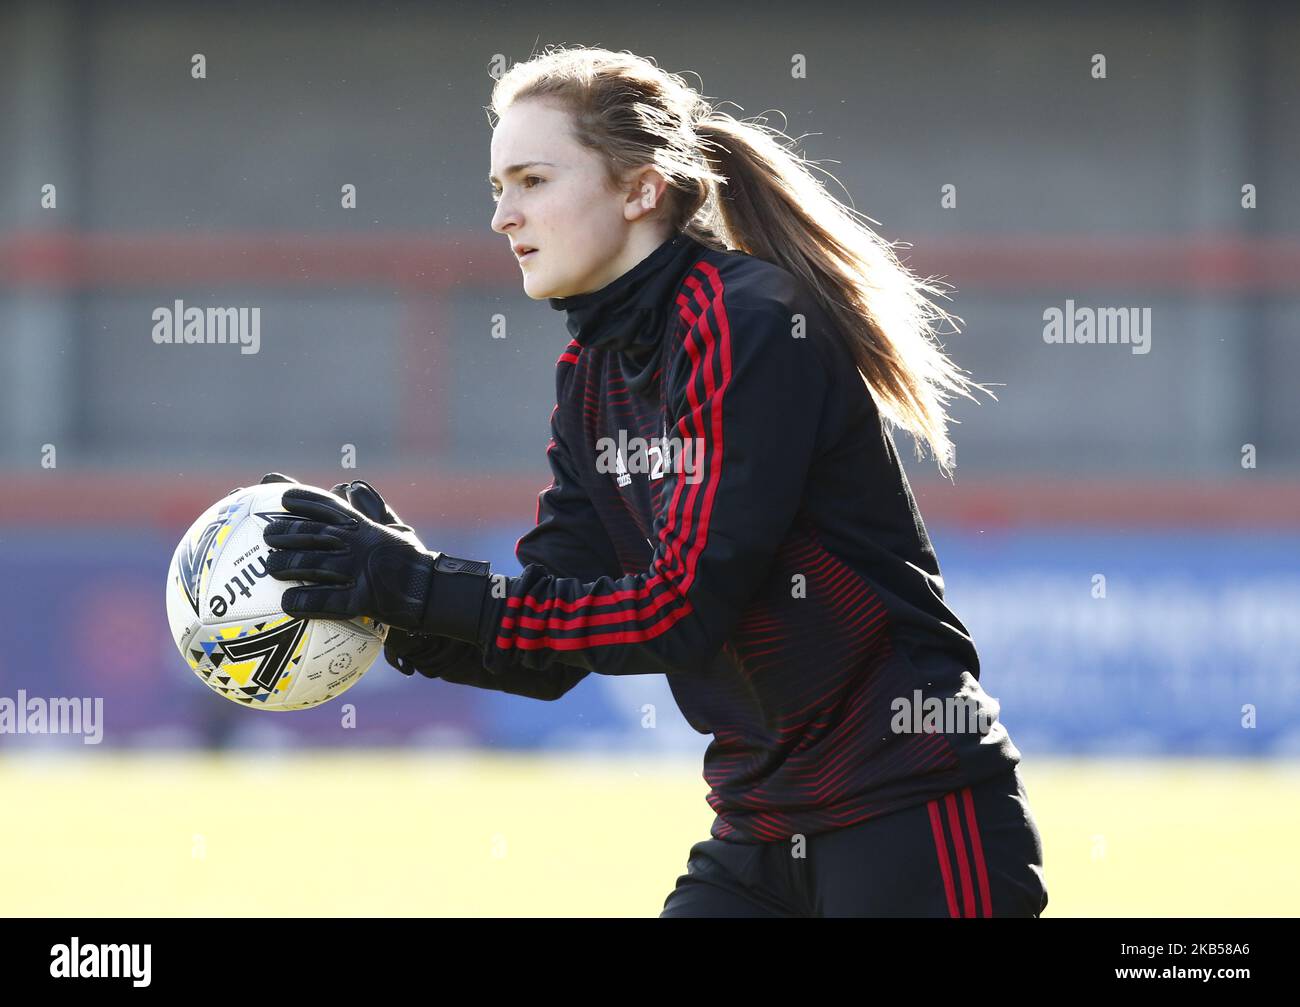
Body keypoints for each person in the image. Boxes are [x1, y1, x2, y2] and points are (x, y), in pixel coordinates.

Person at [260, 45, 1048, 918]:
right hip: (761, 831)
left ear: (640, 190)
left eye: (531, 179)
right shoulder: (591, 369)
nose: (503, 215)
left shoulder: (743, 321)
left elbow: (679, 610)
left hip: (913, 816)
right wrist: (395, 601)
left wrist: (423, 586)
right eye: (496, 188)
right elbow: (551, 637)